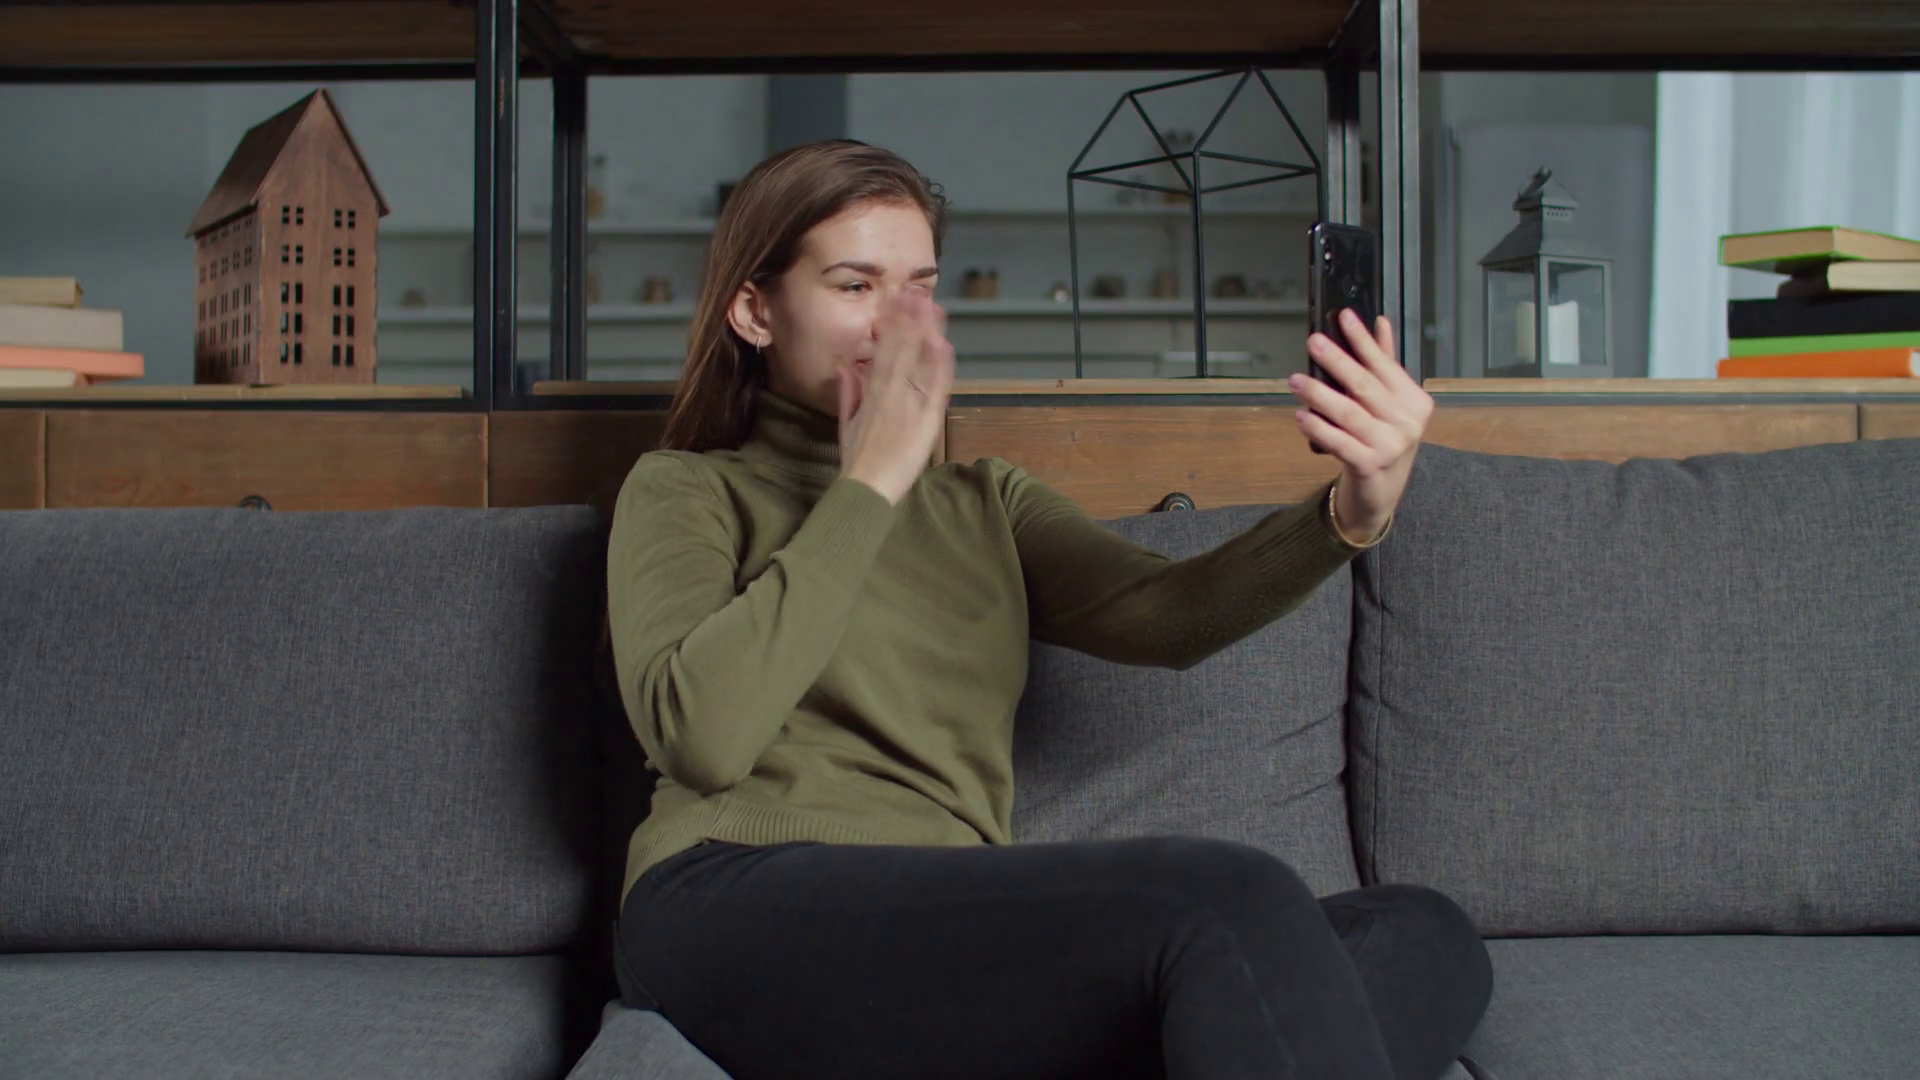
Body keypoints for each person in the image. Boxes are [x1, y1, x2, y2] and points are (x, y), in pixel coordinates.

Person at [605, 139, 1489, 1080]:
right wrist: (871, 483)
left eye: (918, 288)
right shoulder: (684, 490)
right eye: (855, 286)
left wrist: (1354, 512)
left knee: (1419, 932)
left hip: (949, 915)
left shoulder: (983, 501)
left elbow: (1167, 614)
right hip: (727, 895)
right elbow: (704, 739)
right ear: (755, 310)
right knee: (1222, 895)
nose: (896, 324)